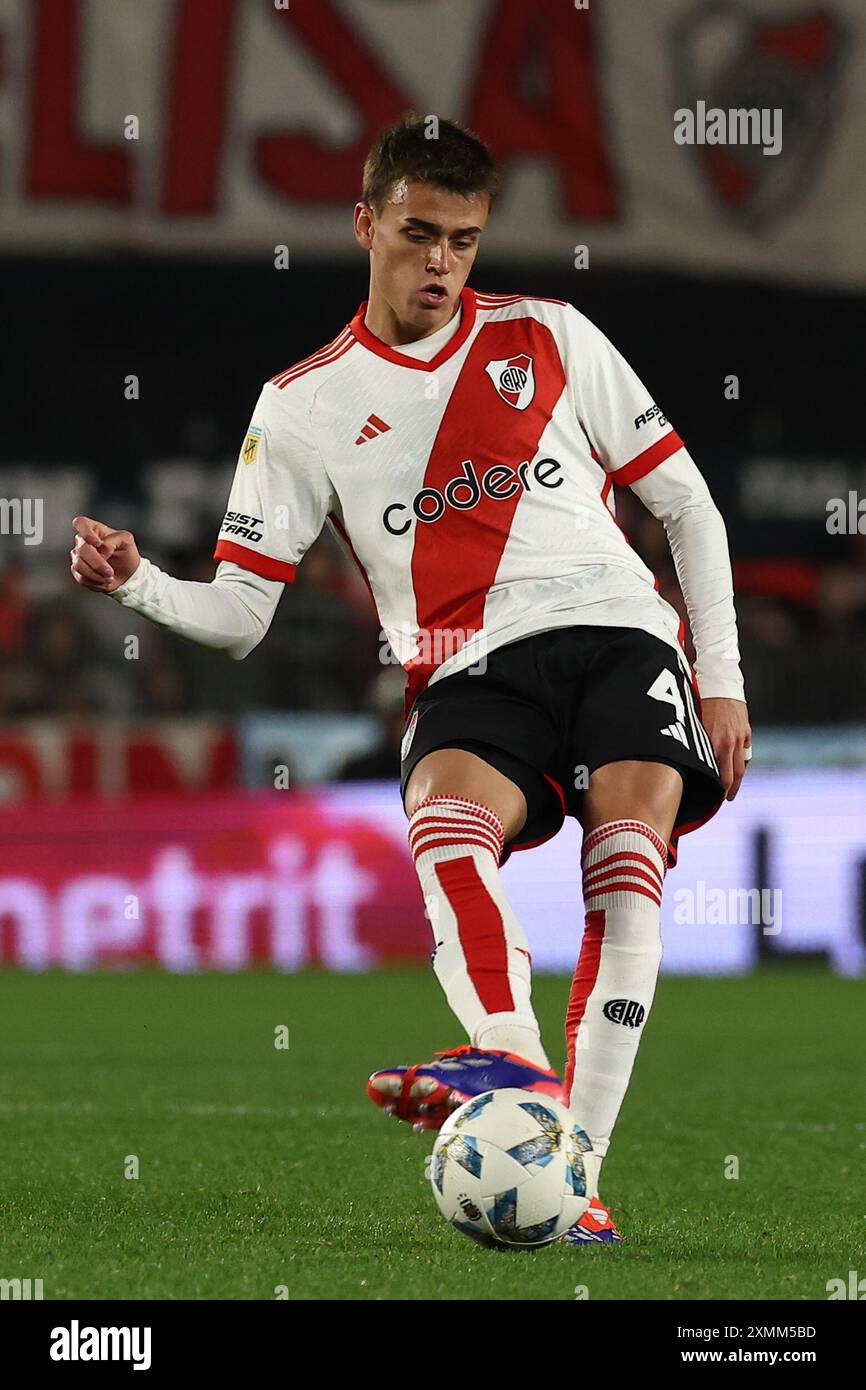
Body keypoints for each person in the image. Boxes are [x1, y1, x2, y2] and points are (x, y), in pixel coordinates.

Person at [70, 112, 751, 1245]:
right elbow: (240, 616)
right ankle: (509, 1053)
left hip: (620, 629)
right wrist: (141, 582)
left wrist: (717, 678)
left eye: (463, 239)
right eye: (418, 232)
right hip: (465, 665)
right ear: (365, 225)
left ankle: (571, 1180)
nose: (440, 261)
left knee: (625, 864)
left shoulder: (552, 334)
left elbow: (683, 503)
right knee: (444, 819)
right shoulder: (301, 406)